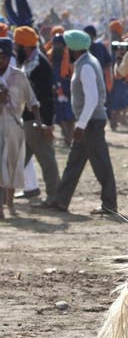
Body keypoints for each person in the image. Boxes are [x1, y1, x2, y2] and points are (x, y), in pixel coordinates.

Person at [44, 29, 117, 216]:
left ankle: (109, 205)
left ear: (73, 49)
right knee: (74, 163)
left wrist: (81, 125)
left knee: (101, 164)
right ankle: (60, 201)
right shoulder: (86, 62)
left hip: (90, 122)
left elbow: (92, 99)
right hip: (88, 121)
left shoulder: (85, 66)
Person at [13, 25, 60, 205]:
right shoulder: (30, 62)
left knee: (46, 160)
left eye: (17, 46)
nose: (16, 49)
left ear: (25, 46)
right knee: (16, 160)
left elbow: (45, 98)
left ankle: (55, 197)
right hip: (27, 120)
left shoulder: (39, 64)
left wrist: (46, 123)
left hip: (36, 121)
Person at [0, 37, 43, 218]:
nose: (0, 59)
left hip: (15, 126)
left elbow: (32, 100)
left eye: (3, 56)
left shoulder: (19, 76)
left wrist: (38, 120)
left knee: (13, 167)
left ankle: (10, 204)